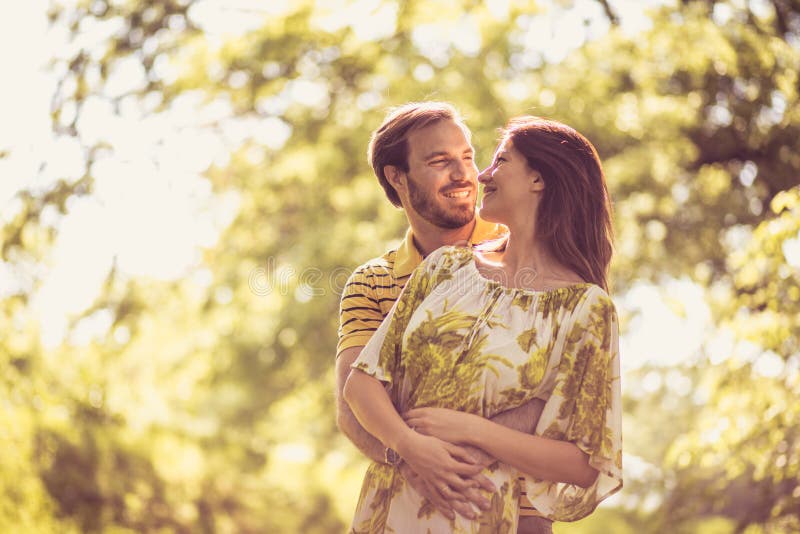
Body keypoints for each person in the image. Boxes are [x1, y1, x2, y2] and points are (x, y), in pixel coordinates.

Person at [343, 116, 622, 532]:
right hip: (389, 510)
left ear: (538, 181)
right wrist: (412, 448)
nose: (480, 175)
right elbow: (360, 384)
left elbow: (585, 462)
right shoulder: (445, 266)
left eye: (496, 161)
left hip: (482, 516)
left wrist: (471, 429)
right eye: (441, 160)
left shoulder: (584, 308)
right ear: (397, 177)